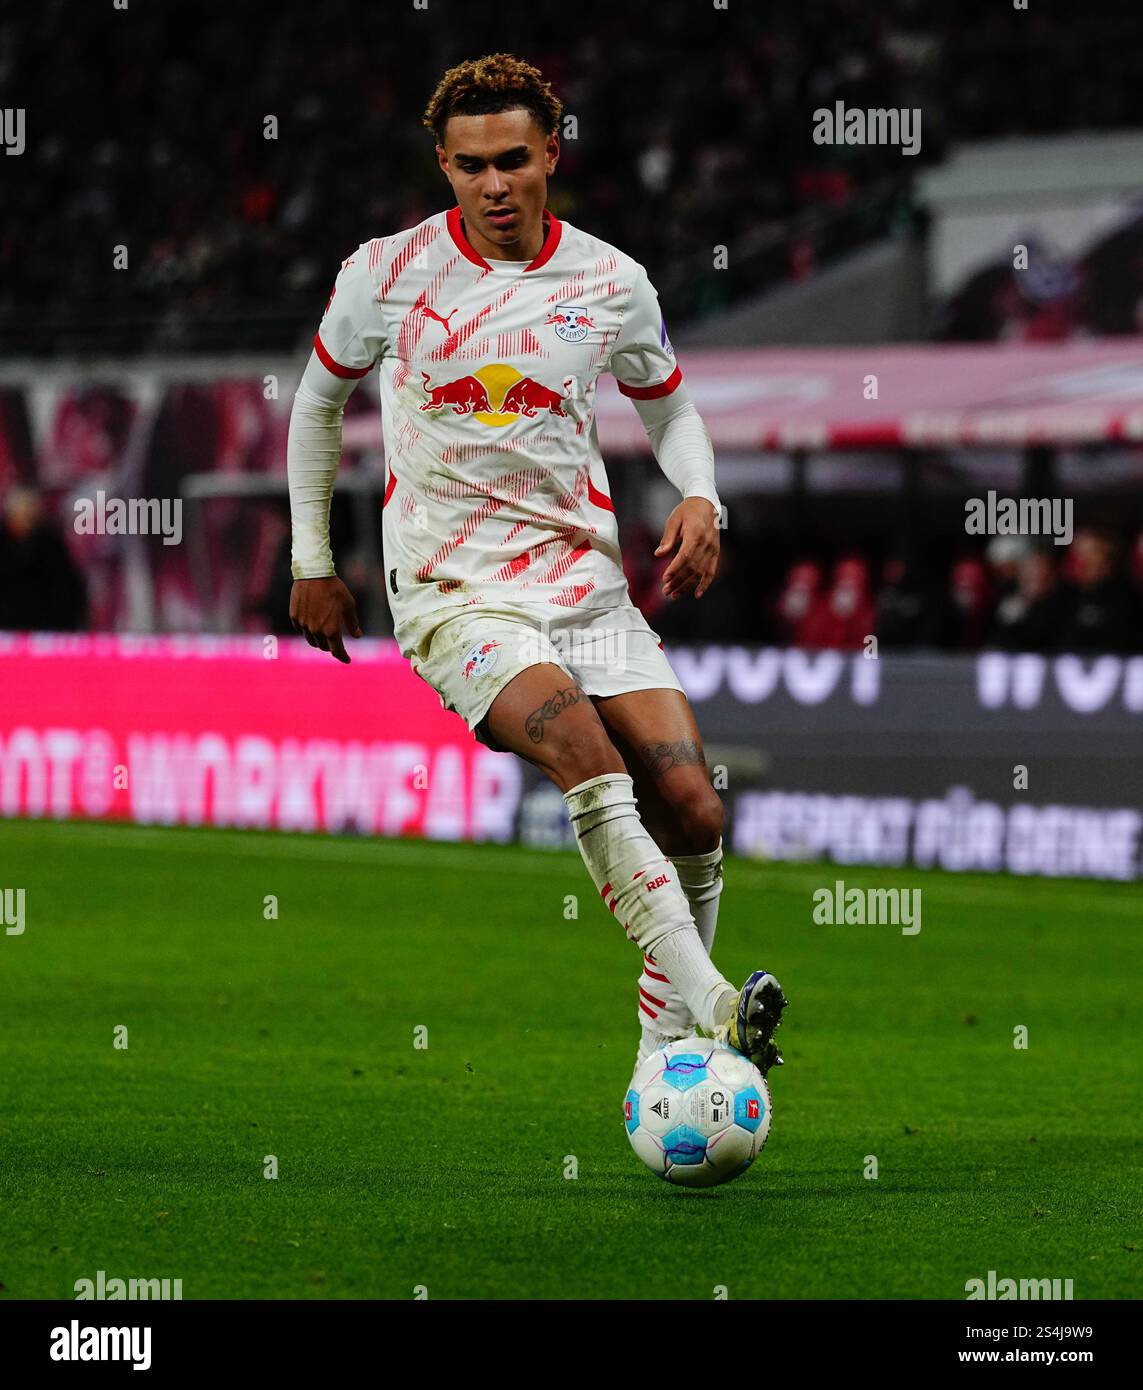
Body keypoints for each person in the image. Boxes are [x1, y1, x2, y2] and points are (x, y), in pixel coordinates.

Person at [285, 54, 787, 1079]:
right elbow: (316, 405)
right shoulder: (386, 274)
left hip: (586, 586)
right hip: (454, 594)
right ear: (444, 167)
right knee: (587, 757)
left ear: (551, 152)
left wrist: (700, 495)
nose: (494, 184)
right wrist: (311, 557)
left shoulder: (609, 281)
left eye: (513, 159)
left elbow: (671, 406)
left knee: (693, 805)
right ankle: (712, 1001)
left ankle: (661, 1048)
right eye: (470, 166)